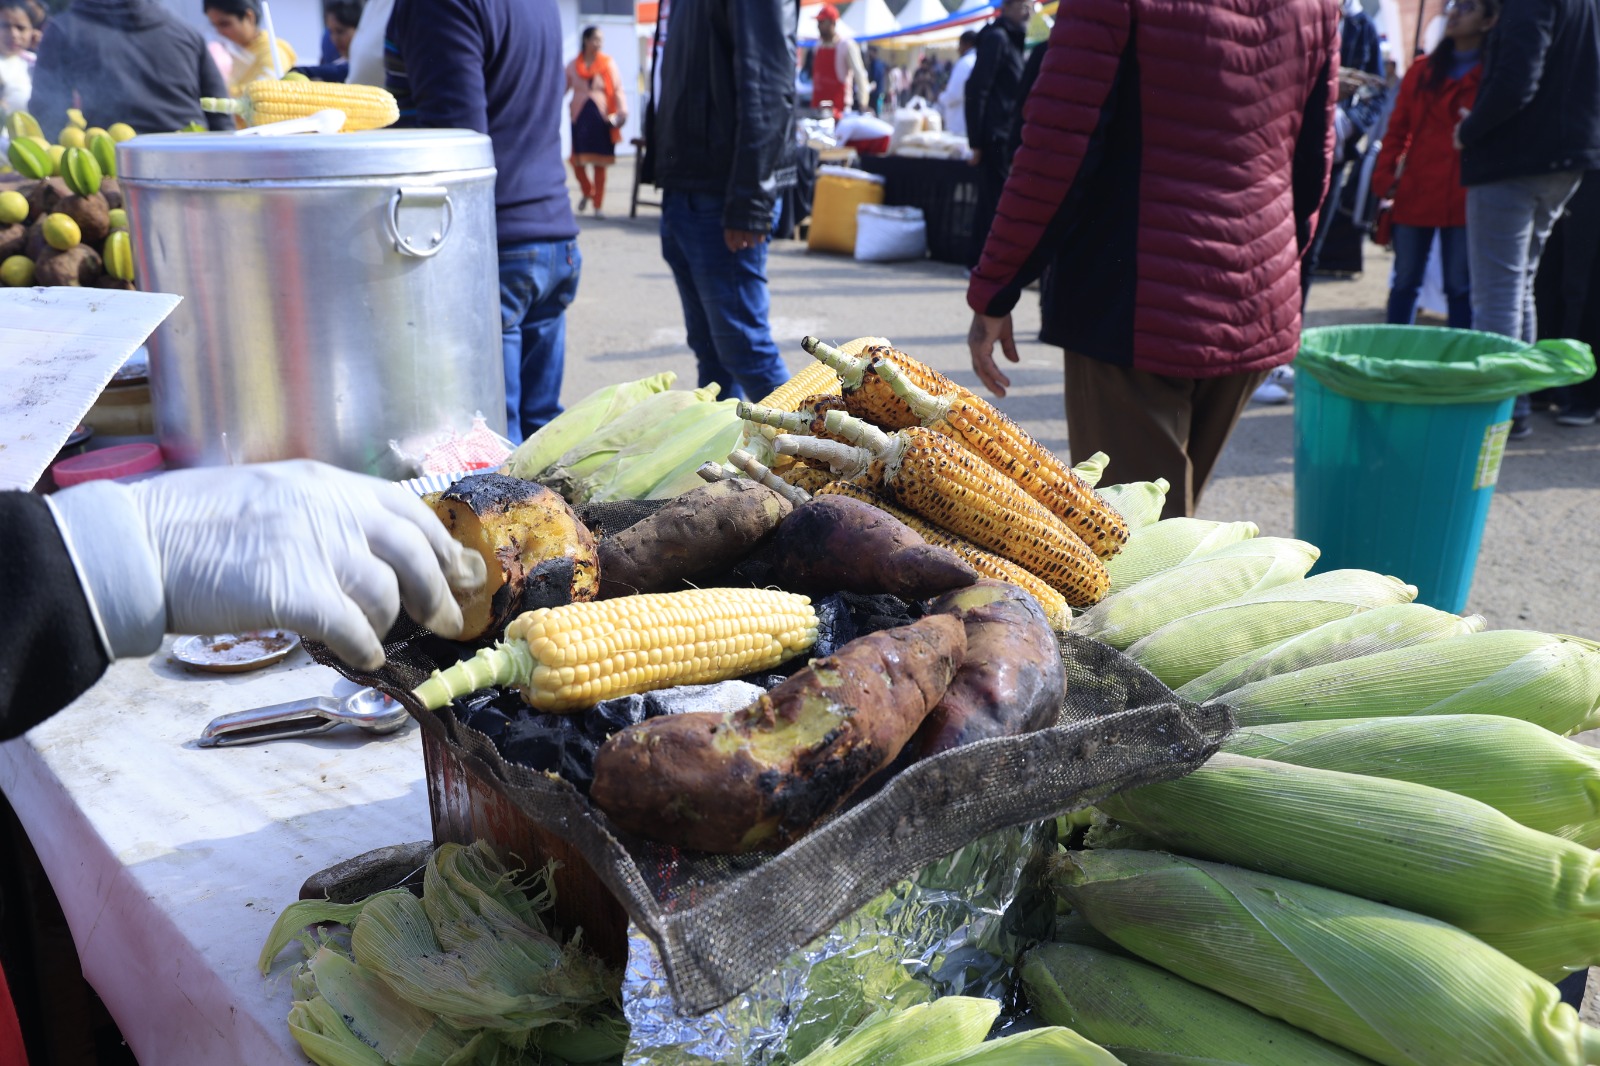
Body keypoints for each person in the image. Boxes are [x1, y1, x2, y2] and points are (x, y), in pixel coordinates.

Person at [966, 0, 1340, 520]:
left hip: (1136, 306)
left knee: (1136, 549)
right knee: (1166, 533)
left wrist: (996, 286)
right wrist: (1279, 279)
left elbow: (1055, 151)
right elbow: (1314, 159)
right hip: (1251, 293)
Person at [388, 0, 581, 443]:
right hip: (553, 235)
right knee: (544, 438)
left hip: (497, 245)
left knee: (495, 445)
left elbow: (457, 143)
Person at [1456, 0, 1600, 440]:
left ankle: (1499, 412)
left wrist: (1468, 130)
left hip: (1516, 159)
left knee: (1499, 294)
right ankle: (1514, 406)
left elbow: (1517, 79)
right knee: (1518, 286)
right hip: (1564, 158)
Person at [643, 0, 796, 402]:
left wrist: (750, 201)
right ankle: (727, 458)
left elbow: (768, 83)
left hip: (722, 193)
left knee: (745, 351)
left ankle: (816, 458)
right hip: (685, 186)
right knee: (712, 353)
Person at [1373, 0, 1498, 330]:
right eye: (1455, 6)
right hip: (1416, 191)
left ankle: (1457, 366)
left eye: (1468, 7)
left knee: (1459, 286)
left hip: (1464, 195)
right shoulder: (1422, 70)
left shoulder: (1493, 75)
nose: (1455, 12)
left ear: (1489, 21)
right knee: (1404, 280)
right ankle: (1392, 354)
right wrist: (1385, 178)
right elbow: (1397, 129)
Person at [29, 0, 231, 134]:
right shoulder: (185, 31)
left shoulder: (64, 30)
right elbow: (221, 114)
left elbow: (46, 116)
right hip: (193, 164)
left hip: (115, 175)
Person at [964, 0, 1031, 267]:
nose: (1029, 12)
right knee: (995, 204)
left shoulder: (1014, 40)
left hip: (1007, 135)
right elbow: (977, 90)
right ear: (1010, 6)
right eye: (1025, 5)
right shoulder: (997, 39)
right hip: (994, 137)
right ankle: (983, 264)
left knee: (994, 203)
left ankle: (983, 263)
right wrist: (976, 141)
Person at [566, 26, 626, 218]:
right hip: (580, 117)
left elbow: (618, 89)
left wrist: (622, 111)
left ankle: (598, 205)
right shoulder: (573, 65)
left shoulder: (608, 64)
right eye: (596, 39)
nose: (599, 43)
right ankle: (587, 191)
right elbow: (561, 87)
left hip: (602, 117)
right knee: (576, 161)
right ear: (586, 40)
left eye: (601, 40)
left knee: (600, 164)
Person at [204, 0, 296, 96]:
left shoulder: (274, 52)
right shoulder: (228, 51)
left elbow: (262, 94)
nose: (219, 32)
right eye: (214, 25)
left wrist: (216, 92)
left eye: (225, 24)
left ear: (249, 17)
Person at [811, 3, 869, 115]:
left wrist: (863, 103)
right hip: (818, 108)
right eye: (818, 22)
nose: (818, 26)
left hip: (839, 109)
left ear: (832, 23)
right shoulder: (817, 46)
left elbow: (859, 74)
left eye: (822, 22)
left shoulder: (846, 45)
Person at [292, 0, 360, 82]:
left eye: (340, 31)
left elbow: (347, 70)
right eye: (331, 32)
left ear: (359, 29)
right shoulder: (332, 57)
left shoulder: (369, 63)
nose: (334, 39)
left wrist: (304, 71)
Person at [938, 31, 978, 138]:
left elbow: (954, 95)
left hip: (958, 125)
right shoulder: (977, 60)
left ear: (967, 44)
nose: (958, 49)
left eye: (960, 45)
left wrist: (941, 97)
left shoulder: (965, 63)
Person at [0, 0, 37, 116]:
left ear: (32, 31)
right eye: (5, 26)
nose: (14, 34)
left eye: (21, 28)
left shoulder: (36, 63)